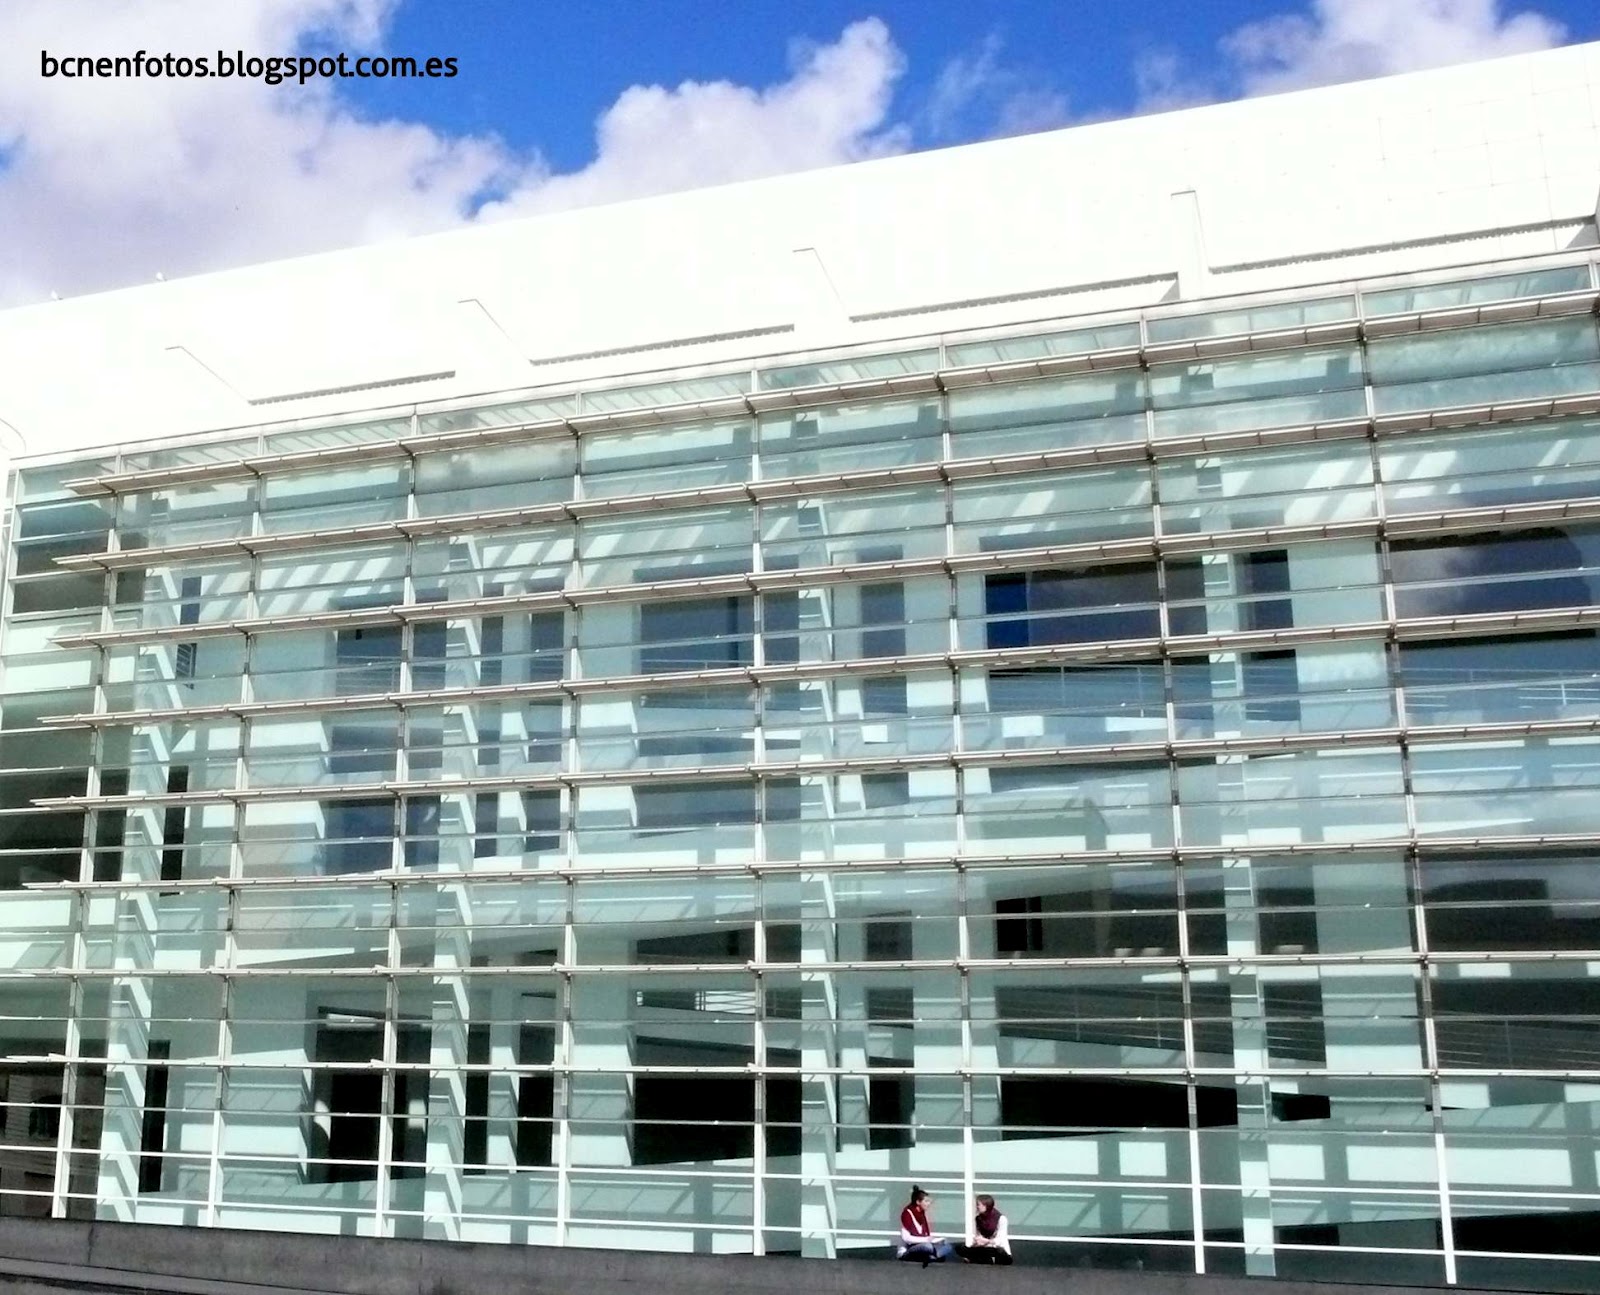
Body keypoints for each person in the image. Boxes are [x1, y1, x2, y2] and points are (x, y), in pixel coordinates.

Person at [896, 1185, 956, 1265]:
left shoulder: (921, 1215)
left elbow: (926, 1236)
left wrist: (936, 1240)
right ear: (918, 1202)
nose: (929, 1204)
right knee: (927, 1247)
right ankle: (934, 1256)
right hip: (908, 1249)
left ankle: (934, 1256)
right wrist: (926, 1240)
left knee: (947, 1244)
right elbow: (907, 1239)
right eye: (926, 1201)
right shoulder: (907, 1214)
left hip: (923, 1244)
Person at [954, 1195, 1014, 1265]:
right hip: (986, 1249)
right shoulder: (978, 1219)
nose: (977, 1207)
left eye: (978, 1205)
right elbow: (979, 1236)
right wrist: (977, 1242)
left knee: (999, 1251)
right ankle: (977, 1258)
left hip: (999, 1251)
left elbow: (1000, 1240)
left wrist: (987, 1241)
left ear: (986, 1205)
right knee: (960, 1248)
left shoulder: (1001, 1219)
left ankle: (982, 1259)